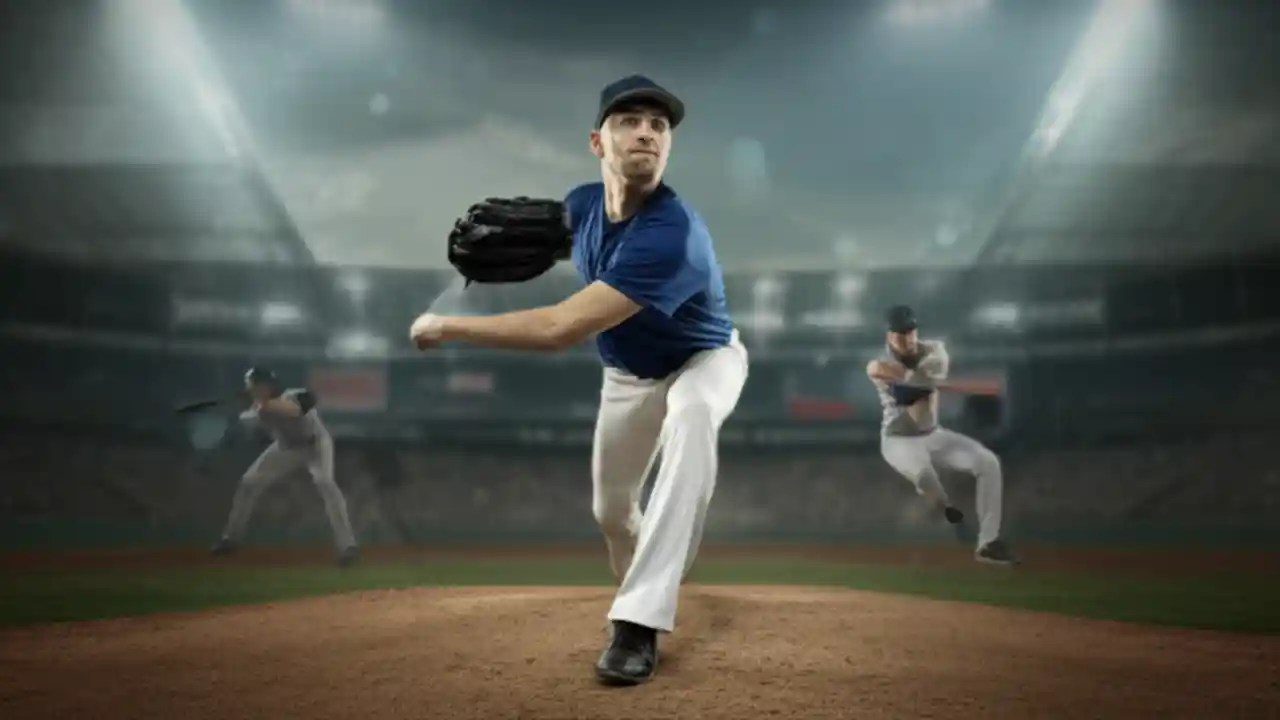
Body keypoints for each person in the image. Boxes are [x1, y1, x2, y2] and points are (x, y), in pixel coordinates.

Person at [409, 75, 748, 685]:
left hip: (706, 358)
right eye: (630, 120)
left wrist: (449, 326)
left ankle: (638, 624)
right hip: (626, 374)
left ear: (668, 147)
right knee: (612, 511)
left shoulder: (675, 236)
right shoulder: (582, 204)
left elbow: (561, 328)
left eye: (659, 125)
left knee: (693, 415)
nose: (647, 130)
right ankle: (644, 581)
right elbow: (564, 233)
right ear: (598, 141)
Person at [865, 305, 1018, 565]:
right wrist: (905, 378)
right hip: (898, 440)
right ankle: (948, 512)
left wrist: (909, 378)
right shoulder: (879, 364)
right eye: (901, 333)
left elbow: (919, 391)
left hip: (933, 435)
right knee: (926, 477)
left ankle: (988, 542)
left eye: (911, 330)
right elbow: (897, 389)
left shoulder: (936, 352)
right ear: (889, 336)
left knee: (988, 462)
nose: (909, 337)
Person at [210, 367, 360, 567]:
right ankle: (230, 539)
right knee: (248, 483)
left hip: (316, 444)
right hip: (285, 447)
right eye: (251, 386)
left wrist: (263, 404)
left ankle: (348, 546)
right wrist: (246, 412)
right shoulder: (256, 410)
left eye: (256, 385)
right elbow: (245, 429)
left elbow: (299, 407)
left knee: (325, 482)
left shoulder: (294, 395)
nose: (253, 388)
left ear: (267, 385)